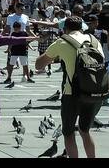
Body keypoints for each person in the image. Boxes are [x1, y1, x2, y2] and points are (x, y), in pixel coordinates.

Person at [35, 16, 105, 158]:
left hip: (72, 93)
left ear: (65, 28)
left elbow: (39, 64)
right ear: (82, 28)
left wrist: (58, 56)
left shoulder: (62, 41)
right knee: (85, 130)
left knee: (68, 132)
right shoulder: (94, 40)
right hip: (95, 91)